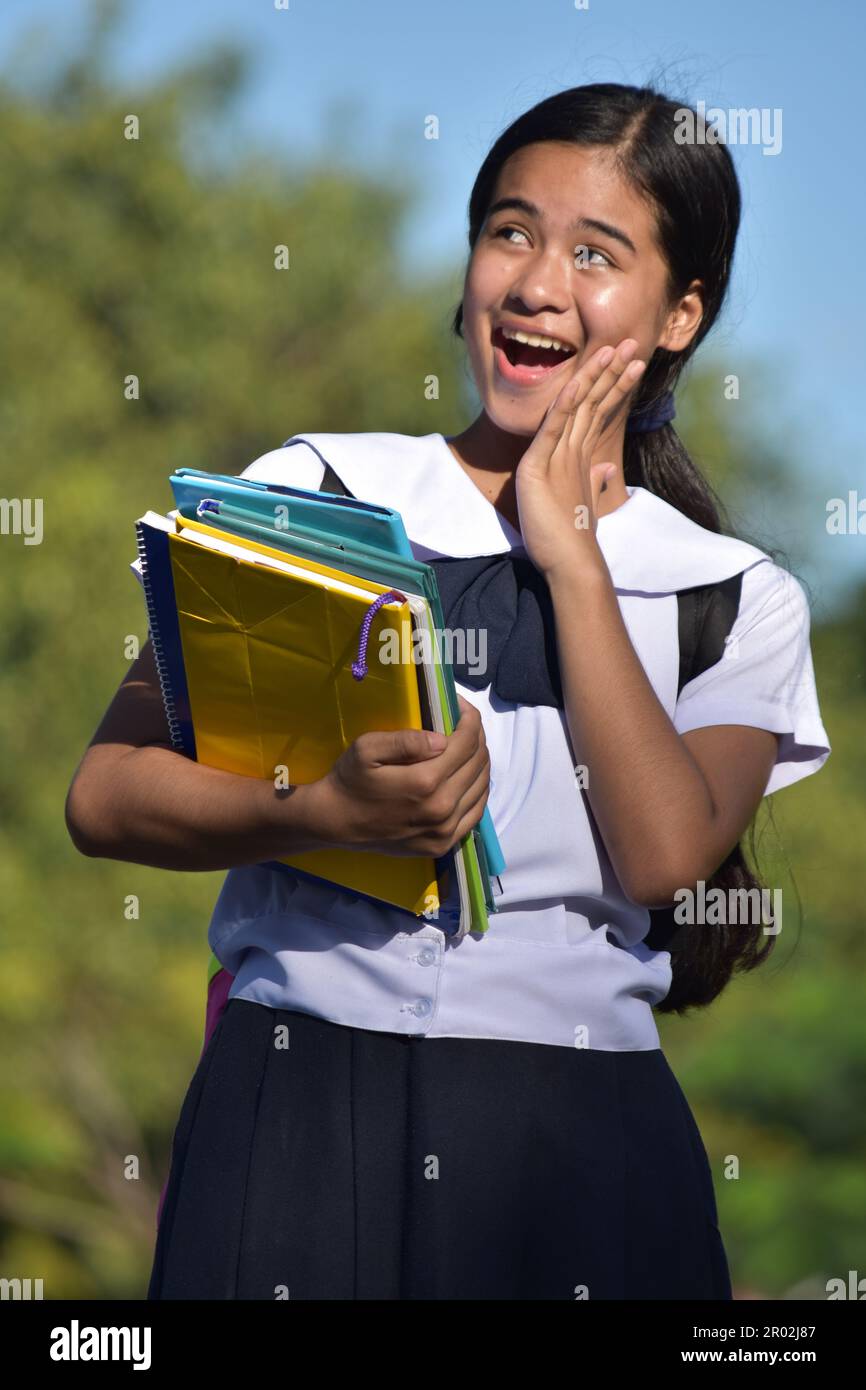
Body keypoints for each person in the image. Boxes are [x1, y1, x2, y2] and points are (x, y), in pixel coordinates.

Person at [65, 81, 831, 1301]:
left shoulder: (732, 597)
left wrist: (570, 556)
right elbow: (105, 794)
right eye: (509, 231)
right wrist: (317, 811)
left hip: (578, 1144)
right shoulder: (313, 489)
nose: (534, 283)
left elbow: (664, 862)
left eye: (596, 253)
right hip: (292, 1114)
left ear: (680, 313)